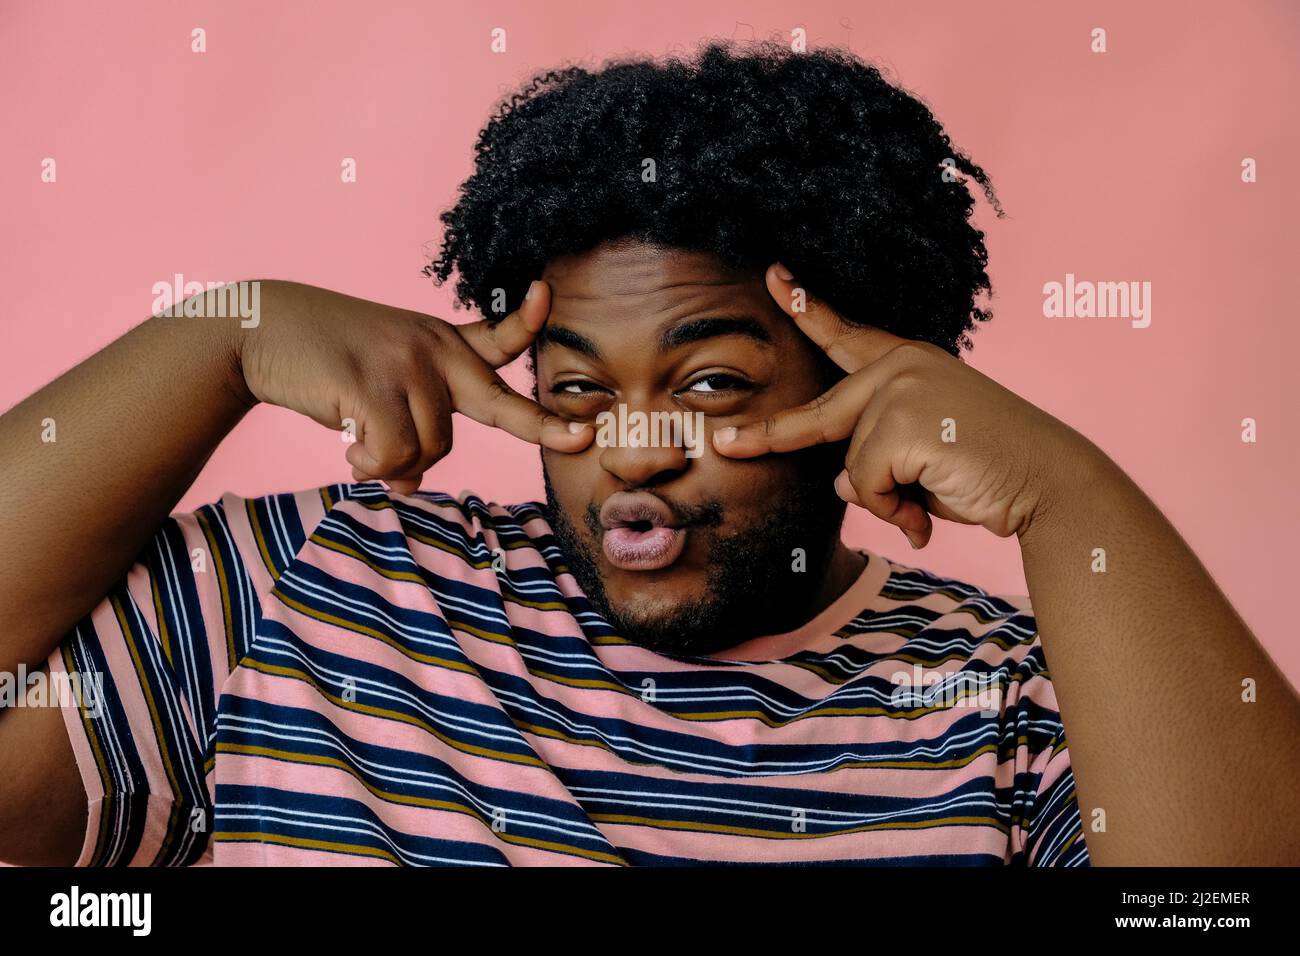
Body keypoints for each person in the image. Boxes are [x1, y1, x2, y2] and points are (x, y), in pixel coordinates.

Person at [1, 41, 1296, 867]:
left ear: (867, 385)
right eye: (577, 390)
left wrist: (1072, 500)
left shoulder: (1007, 704)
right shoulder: (316, 587)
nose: (634, 452)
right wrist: (217, 337)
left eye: (711, 385)